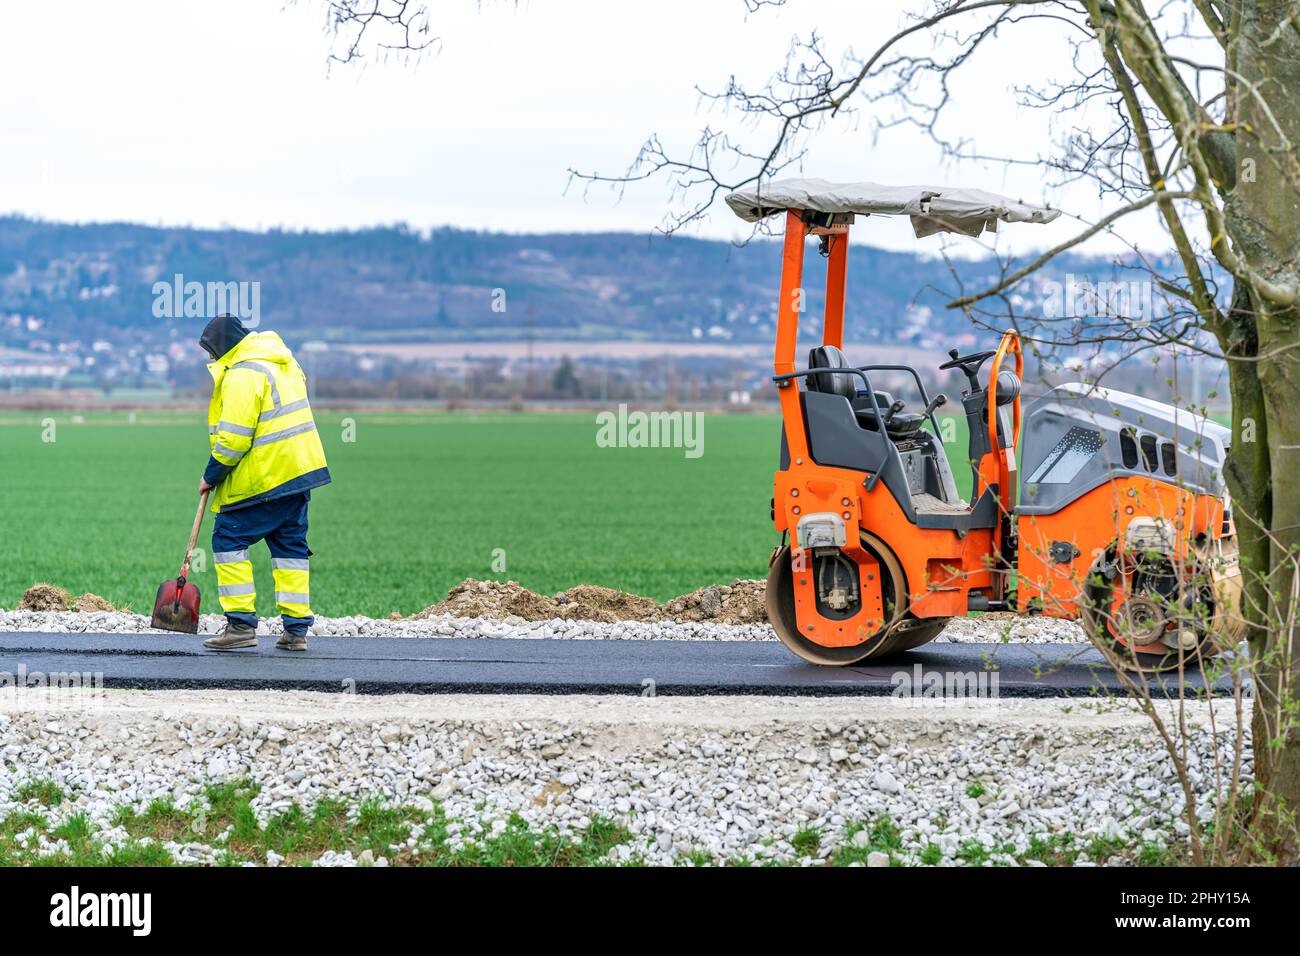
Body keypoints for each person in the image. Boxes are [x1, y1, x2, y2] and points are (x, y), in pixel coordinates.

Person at [197, 314, 330, 651]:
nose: (210, 359)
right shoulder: (282, 362)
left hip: (266, 477)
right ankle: (296, 631)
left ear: (223, 346)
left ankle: (240, 625)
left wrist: (210, 474)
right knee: (290, 551)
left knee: (228, 538)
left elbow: (234, 439)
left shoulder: (243, 373)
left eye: (211, 351)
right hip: (298, 475)